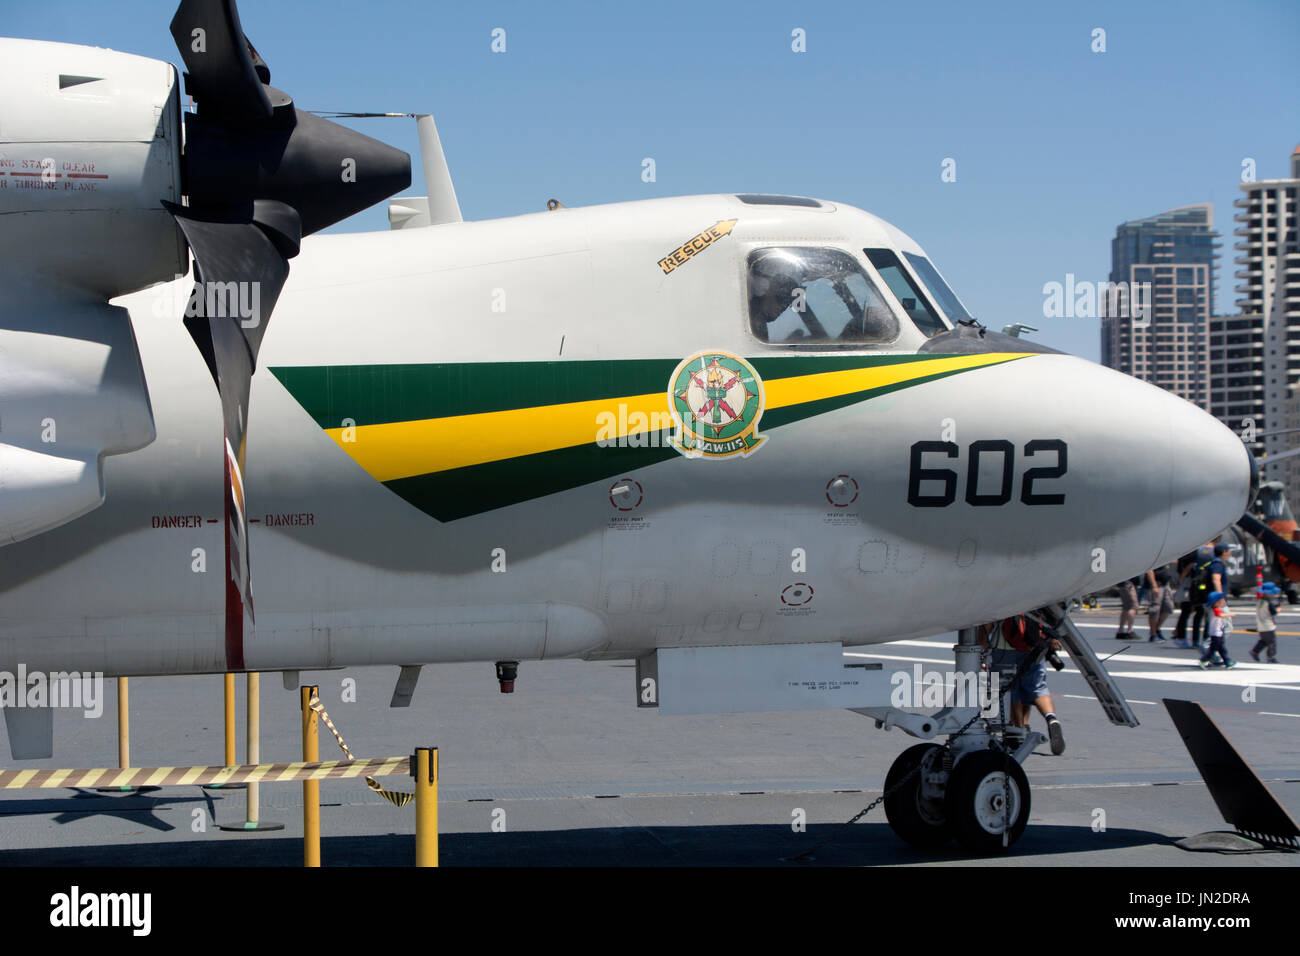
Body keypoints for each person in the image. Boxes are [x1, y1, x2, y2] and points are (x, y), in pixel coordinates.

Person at [980, 616, 1066, 755]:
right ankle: (1051, 719)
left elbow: (988, 622)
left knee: (1011, 689)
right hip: (1034, 644)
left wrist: (981, 648)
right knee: (1038, 687)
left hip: (1005, 647)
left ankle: (1017, 732)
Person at [1170, 548, 1202, 648]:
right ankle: (1184, 637)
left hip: (1190, 582)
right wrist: (1181, 580)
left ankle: (1181, 635)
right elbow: (1190, 566)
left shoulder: (1189, 550)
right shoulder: (1196, 551)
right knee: (1193, 611)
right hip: (1191, 583)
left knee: (1188, 612)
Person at [1198, 591, 1236, 669]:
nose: (1222, 601)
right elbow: (1220, 615)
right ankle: (1203, 660)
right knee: (1214, 649)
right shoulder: (1216, 609)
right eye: (1220, 600)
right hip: (1216, 633)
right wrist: (1230, 614)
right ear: (1216, 602)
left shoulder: (1214, 609)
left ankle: (1227, 661)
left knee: (1221, 649)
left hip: (1217, 632)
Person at [1251, 581, 1282, 663]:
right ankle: (1271, 657)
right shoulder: (1269, 603)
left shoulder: (1260, 601)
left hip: (1261, 626)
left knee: (1264, 640)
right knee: (1272, 642)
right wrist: (1278, 609)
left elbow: (1266, 609)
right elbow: (1273, 613)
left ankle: (1255, 651)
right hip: (1268, 626)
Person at [1146, 564, 1176, 642]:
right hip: (1157, 584)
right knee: (1154, 610)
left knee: (1169, 607)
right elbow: (1149, 569)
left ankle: (1156, 629)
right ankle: (1153, 634)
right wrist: (1154, 585)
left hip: (1165, 583)